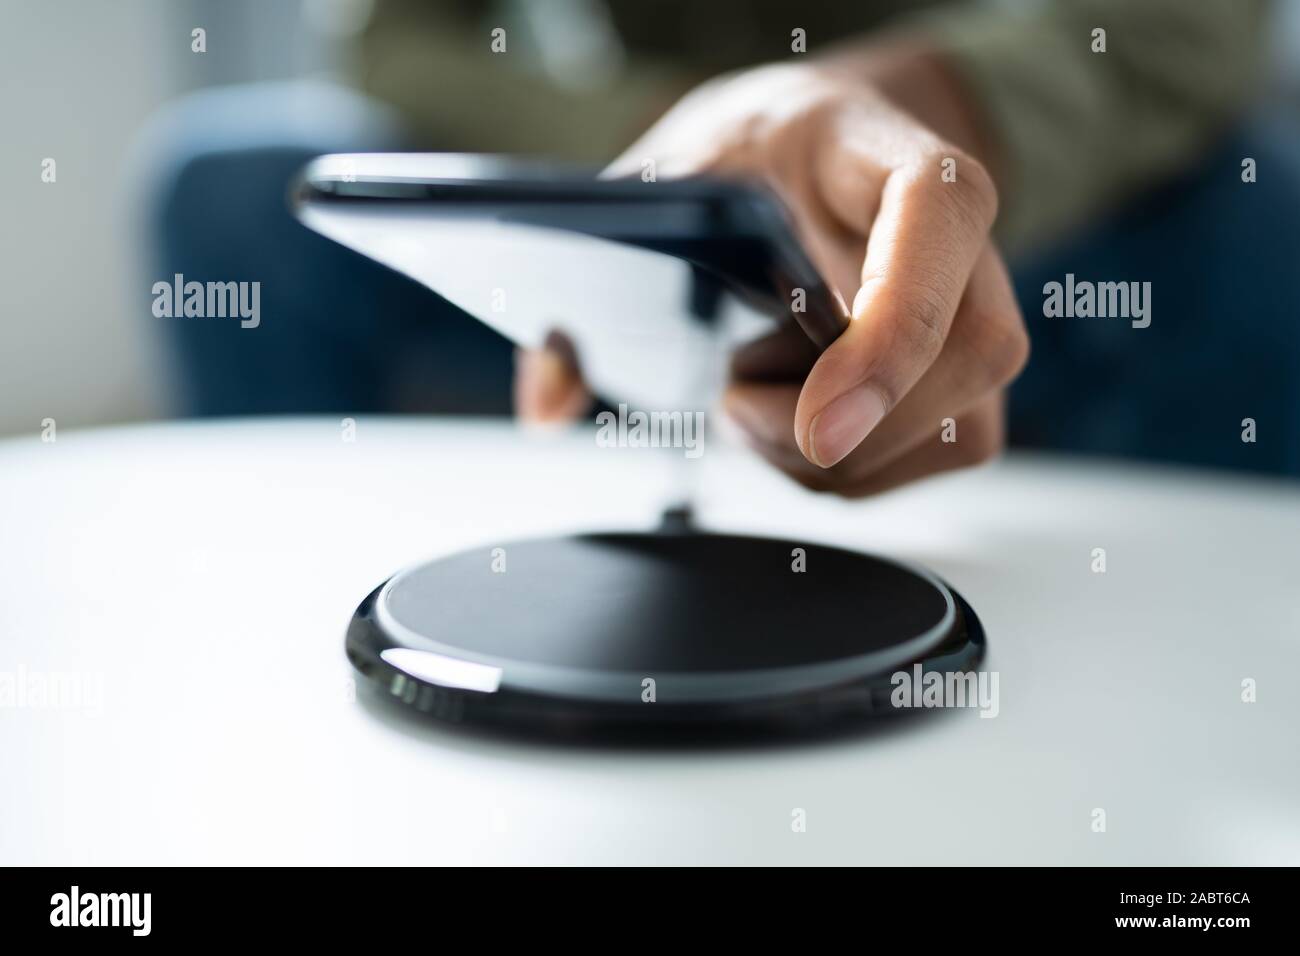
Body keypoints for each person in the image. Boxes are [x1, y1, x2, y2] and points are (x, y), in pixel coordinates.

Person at [153, 0, 1300, 487]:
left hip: (1018, 194)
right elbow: (395, 36)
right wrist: (666, 157)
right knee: (223, 196)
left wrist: (898, 109)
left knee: (1270, 227)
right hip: (665, 175)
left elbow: (1184, 28)